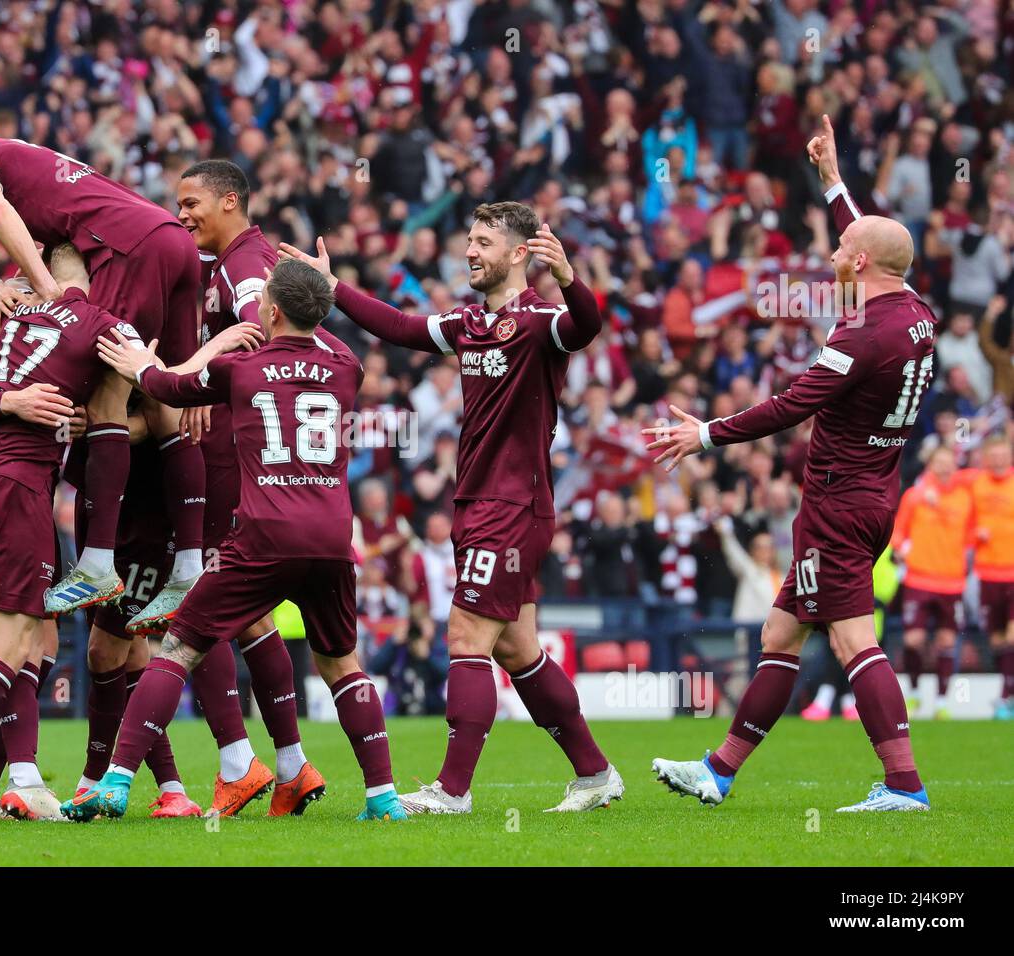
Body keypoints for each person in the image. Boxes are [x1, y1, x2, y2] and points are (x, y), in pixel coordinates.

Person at [282, 201, 623, 815]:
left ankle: (453, 790)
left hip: (512, 504)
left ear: (519, 254)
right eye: (469, 239)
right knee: (518, 649)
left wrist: (570, 278)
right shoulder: (467, 323)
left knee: (465, 635)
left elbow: (587, 326)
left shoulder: (542, 320)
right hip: (478, 500)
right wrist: (332, 288)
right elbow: (400, 327)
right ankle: (595, 774)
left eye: (484, 241)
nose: (470, 250)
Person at [646, 115, 937, 813]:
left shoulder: (861, 336)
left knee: (850, 641)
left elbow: (788, 405)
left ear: (860, 264)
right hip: (869, 494)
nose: (834, 250)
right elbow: (870, 234)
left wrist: (708, 435)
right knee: (781, 634)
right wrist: (832, 179)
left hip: (838, 503)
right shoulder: (916, 312)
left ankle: (904, 785)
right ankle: (718, 771)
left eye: (841, 246)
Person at [0, 244, 255, 824]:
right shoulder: (99, 323)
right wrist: (218, 344)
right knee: (20, 647)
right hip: (23, 494)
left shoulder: (13, 325)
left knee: (40, 643)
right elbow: (164, 381)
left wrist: (11, 390)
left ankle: (12, 780)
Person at [70, 258, 406, 822]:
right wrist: (318, 291)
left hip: (263, 538)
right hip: (330, 540)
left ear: (270, 311)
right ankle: (383, 796)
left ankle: (117, 780)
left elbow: (168, 388)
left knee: (177, 648)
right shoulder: (348, 367)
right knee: (344, 665)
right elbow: (316, 327)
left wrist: (138, 362)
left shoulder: (242, 370)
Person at [0, 116, 207, 616]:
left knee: (106, 390)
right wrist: (6, 280)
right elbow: (55, 232)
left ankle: (99, 565)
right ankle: (191, 568)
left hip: (125, 251)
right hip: (165, 239)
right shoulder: (12, 153)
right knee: (162, 395)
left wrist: (47, 292)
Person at [891, 445, 972, 717]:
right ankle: (912, 694)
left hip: (952, 581)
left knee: (947, 642)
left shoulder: (965, 498)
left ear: (955, 466)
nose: (944, 467)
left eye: (949, 462)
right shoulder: (914, 496)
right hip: (919, 579)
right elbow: (898, 533)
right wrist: (901, 551)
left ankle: (941, 703)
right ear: (930, 464)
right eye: (939, 462)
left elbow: (971, 536)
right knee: (913, 640)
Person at [959, 435, 1014, 719]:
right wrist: (974, 535)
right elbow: (961, 518)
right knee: (996, 639)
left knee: (1012, 635)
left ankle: (1006, 697)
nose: (999, 460)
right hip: (987, 573)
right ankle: (1007, 694)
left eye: (1003, 454)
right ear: (985, 457)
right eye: (994, 455)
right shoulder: (974, 483)